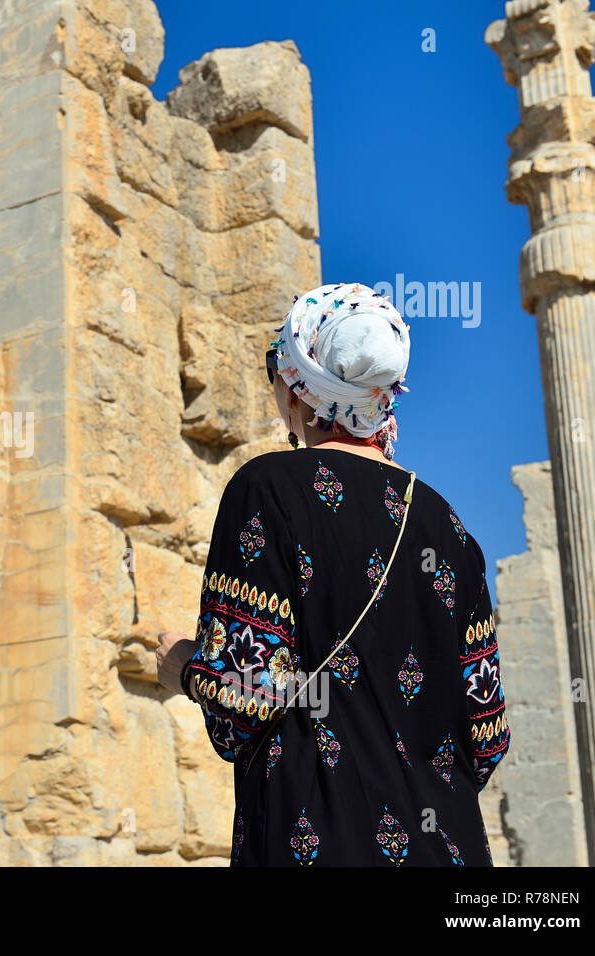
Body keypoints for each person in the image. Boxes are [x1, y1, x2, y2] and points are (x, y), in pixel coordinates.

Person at [156, 282, 509, 866]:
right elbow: (486, 734)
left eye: (277, 364)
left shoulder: (267, 490)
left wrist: (187, 668)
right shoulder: (448, 525)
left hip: (318, 842)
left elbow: (243, 699)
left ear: (300, 388)